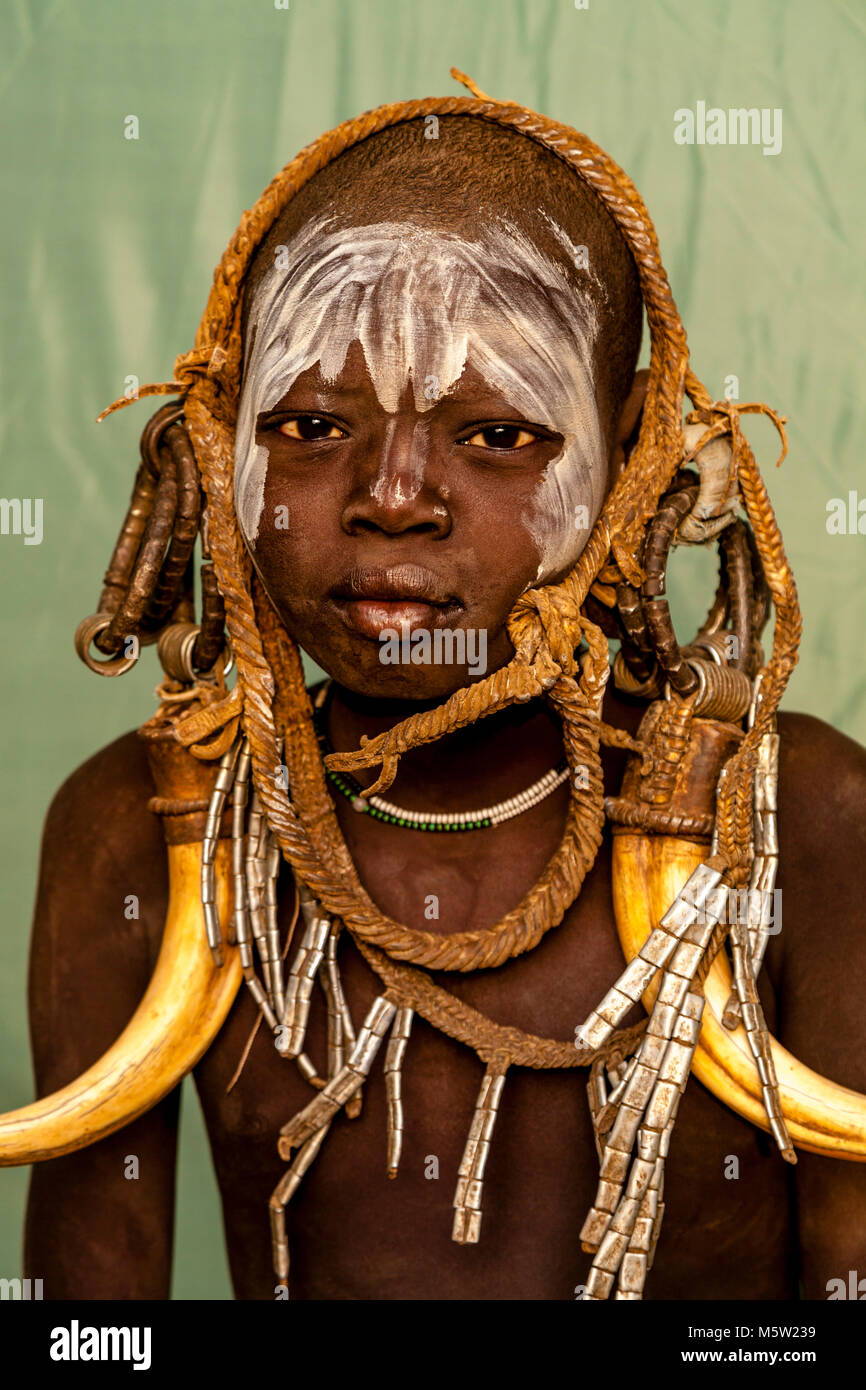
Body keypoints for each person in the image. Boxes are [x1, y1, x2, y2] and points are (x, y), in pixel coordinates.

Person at [11, 76, 866, 1301]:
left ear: (634, 455)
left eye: (499, 433)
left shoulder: (787, 816)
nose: (394, 494)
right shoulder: (144, 827)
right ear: (211, 445)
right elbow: (86, 1334)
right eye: (308, 424)